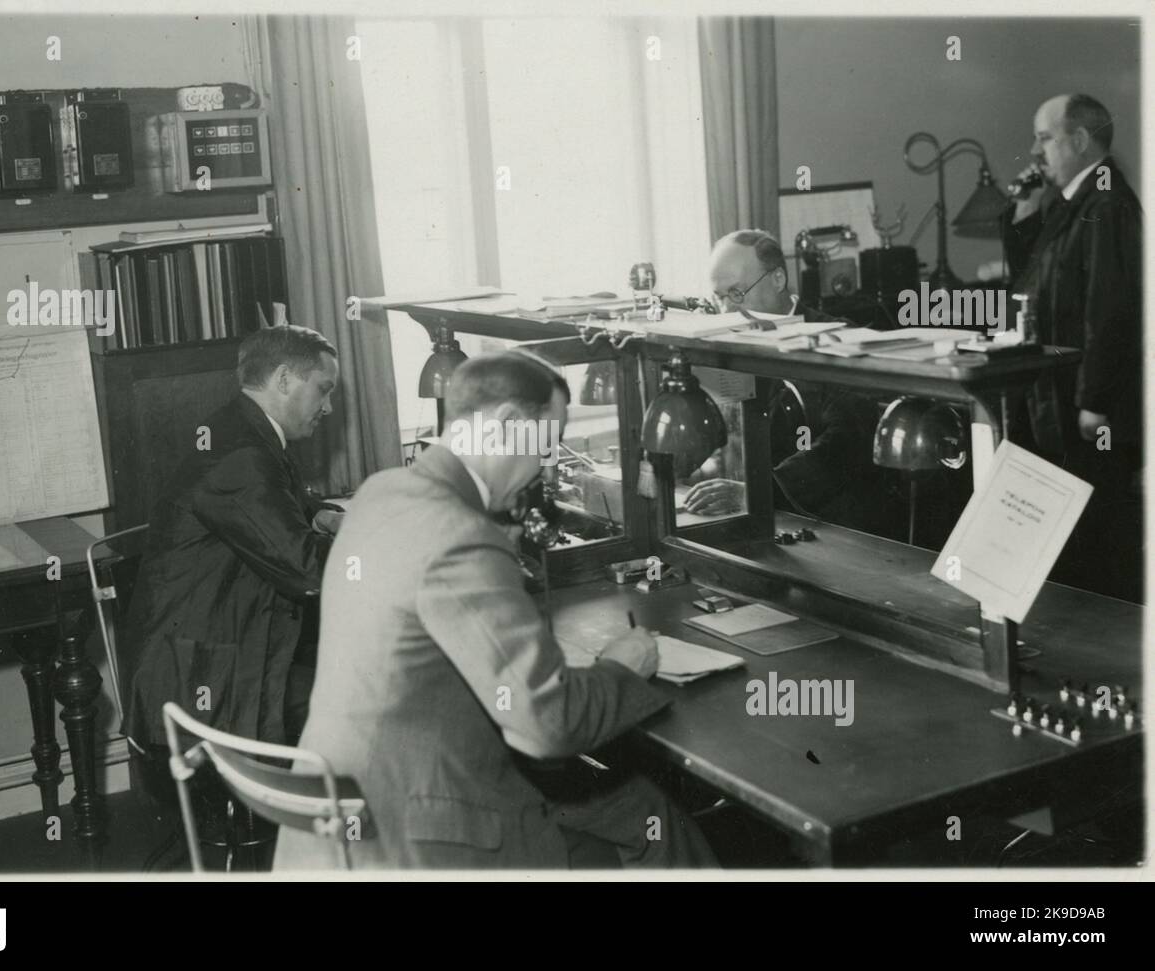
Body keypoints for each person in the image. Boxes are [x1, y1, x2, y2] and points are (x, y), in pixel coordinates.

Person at [294, 351, 715, 868]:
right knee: (649, 814)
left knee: (637, 808)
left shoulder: (383, 490)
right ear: (508, 424)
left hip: (348, 806)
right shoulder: (460, 535)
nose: (546, 464)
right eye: (545, 443)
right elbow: (546, 725)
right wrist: (623, 667)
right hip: (424, 835)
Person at [121, 325, 343, 751]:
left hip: (219, 645)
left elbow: (280, 503)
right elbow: (306, 568)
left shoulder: (241, 428)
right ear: (283, 380)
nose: (329, 406)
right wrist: (381, 542)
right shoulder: (243, 452)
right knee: (359, 708)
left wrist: (325, 519)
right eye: (323, 390)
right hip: (198, 678)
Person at [1001, 94, 1143, 602]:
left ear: (1080, 140)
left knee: (1098, 535)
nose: (1035, 152)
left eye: (1044, 138)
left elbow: (1113, 310)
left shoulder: (1107, 204)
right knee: (1072, 535)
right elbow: (1033, 277)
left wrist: (1094, 402)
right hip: (1063, 397)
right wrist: (1024, 209)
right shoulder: (1078, 202)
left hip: (1091, 408)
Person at [682, 230, 895, 537]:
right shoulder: (729, 341)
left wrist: (757, 491)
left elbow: (846, 441)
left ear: (778, 279)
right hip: (756, 510)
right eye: (720, 297)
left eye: (738, 294)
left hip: (831, 520)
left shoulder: (837, 339)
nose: (728, 310)